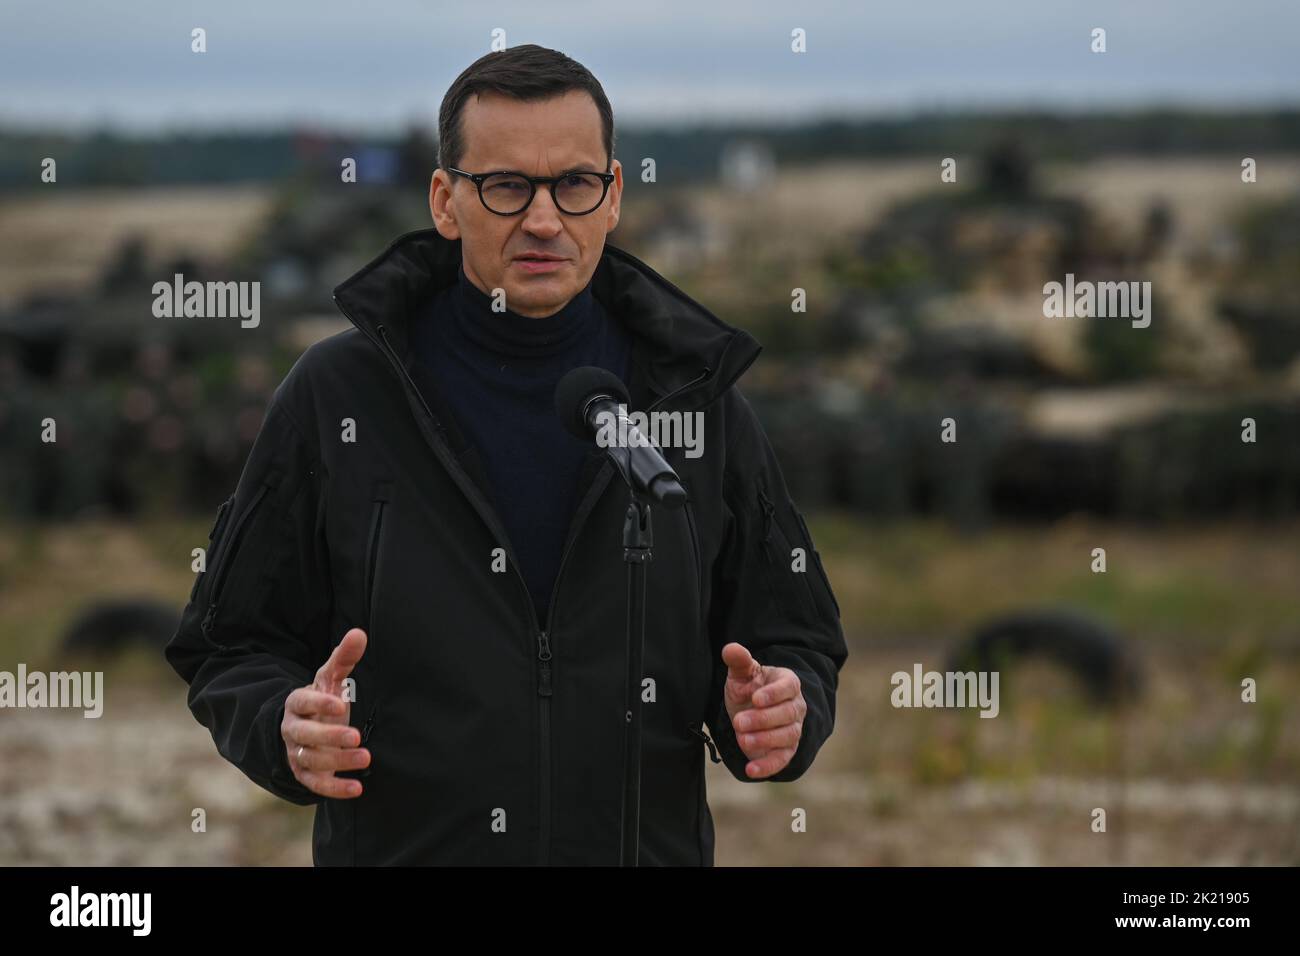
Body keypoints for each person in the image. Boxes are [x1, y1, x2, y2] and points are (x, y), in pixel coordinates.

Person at [165, 44, 847, 866]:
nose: (544, 219)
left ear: (613, 196)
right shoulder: (340, 395)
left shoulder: (693, 400)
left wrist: (782, 707)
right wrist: (283, 724)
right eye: (506, 186)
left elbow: (795, 636)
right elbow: (229, 643)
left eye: (574, 184)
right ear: (446, 201)